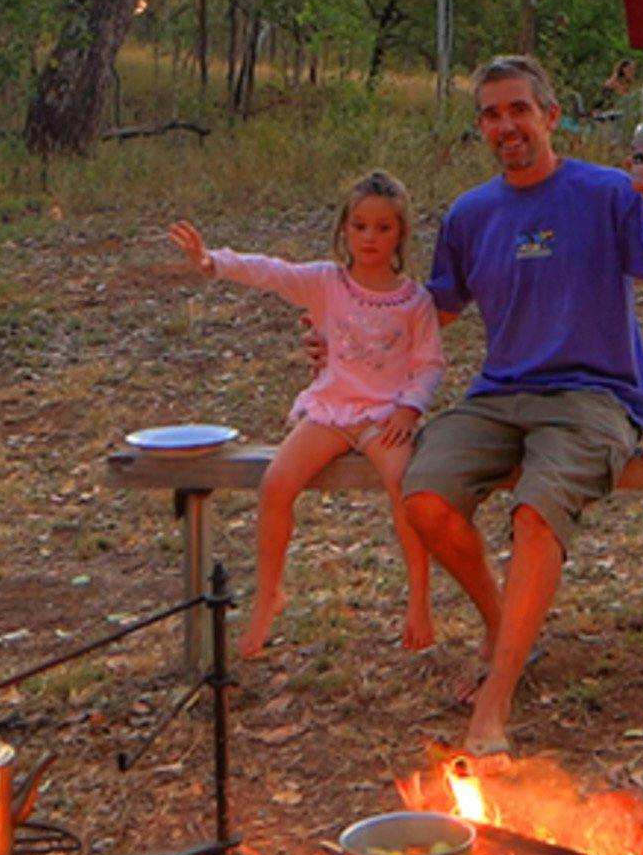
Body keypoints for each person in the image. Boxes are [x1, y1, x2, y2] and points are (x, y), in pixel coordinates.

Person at [400, 55, 643, 755]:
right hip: (501, 394)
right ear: (480, 127)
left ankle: (496, 700)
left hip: (596, 395)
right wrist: (342, 331)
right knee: (423, 498)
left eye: (519, 110)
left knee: (535, 513)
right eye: (491, 114)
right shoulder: (470, 214)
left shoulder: (608, 193)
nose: (506, 125)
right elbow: (432, 313)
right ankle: (507, 629)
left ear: (551, 117)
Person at [169, 171, 445, 658]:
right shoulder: (325, 282)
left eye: (383, 228)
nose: (370, 238)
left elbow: (429, 365)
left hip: (385, 416)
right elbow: (273, 271)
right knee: (276, 482)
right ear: (344, 229)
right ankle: (268, 595)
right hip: (332, 408)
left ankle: (419, 599)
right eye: (360, 226)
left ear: (401, 233)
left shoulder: (415, 301)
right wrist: (214, 262)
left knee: (406, 490)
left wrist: (410, 408)